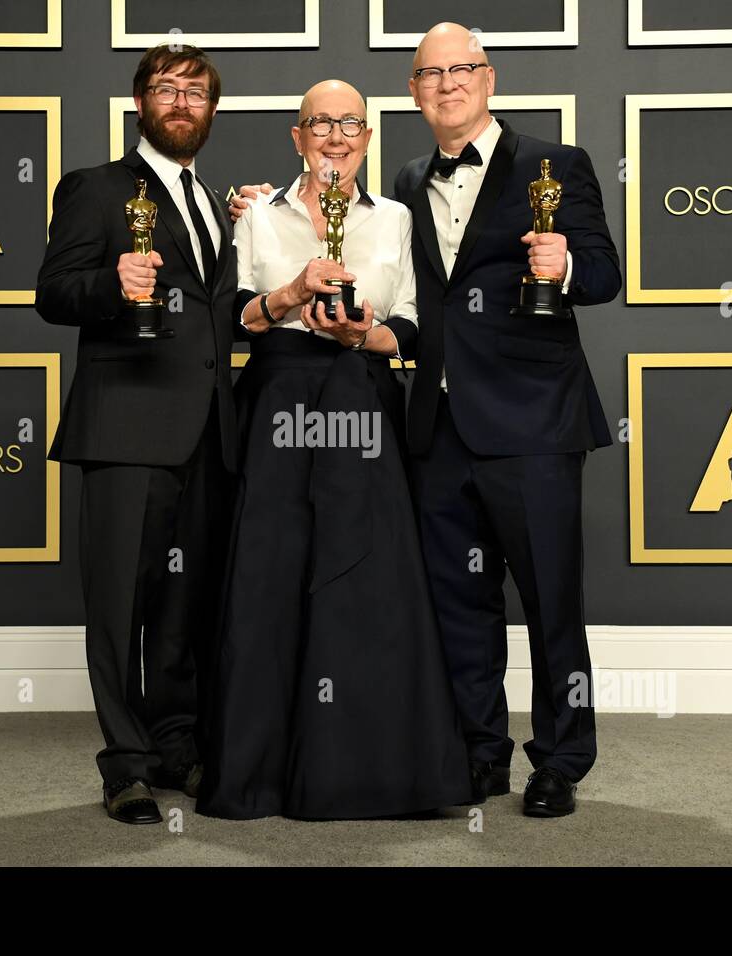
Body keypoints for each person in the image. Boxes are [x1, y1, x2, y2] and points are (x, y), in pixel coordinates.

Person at [230, 23, 620, 818]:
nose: (446, 83)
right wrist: (258, 205)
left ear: (489, 79)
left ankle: (560, 760)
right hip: (431, 422)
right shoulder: (402, 184)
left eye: (462, 70)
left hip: (533, 420)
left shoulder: (559, 165)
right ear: (411, 92)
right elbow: (352, 228)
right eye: (429, 73)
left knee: (551, 598)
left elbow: (606, 273)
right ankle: (480, 752)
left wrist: (566, 266)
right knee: (456, 603)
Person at [197, 80, 470, 821]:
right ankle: (258, 776)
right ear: (297, 137)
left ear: (369, 138)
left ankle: (367, 772)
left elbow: (412, 319)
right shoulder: (255, 214)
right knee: (271, 574)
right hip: (280, 401)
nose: (336, 135)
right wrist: (287, 295)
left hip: (362, 394)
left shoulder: (396, 218)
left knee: (367, 579)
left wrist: (368, 334)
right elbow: (230, 319)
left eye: (351, 123)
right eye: (321, 123)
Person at [35, 44, 238, 825]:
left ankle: (176, 746)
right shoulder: (96, 188)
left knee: (187, 606)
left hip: (210, 431)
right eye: (167, 88)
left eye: (197, 91)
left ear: (212, 111)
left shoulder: (215, 201)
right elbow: (54, 292)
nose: (182, 101)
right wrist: (111, 285)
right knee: (119, 607)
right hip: (125, 427)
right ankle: (125, 765)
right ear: (139, 104)